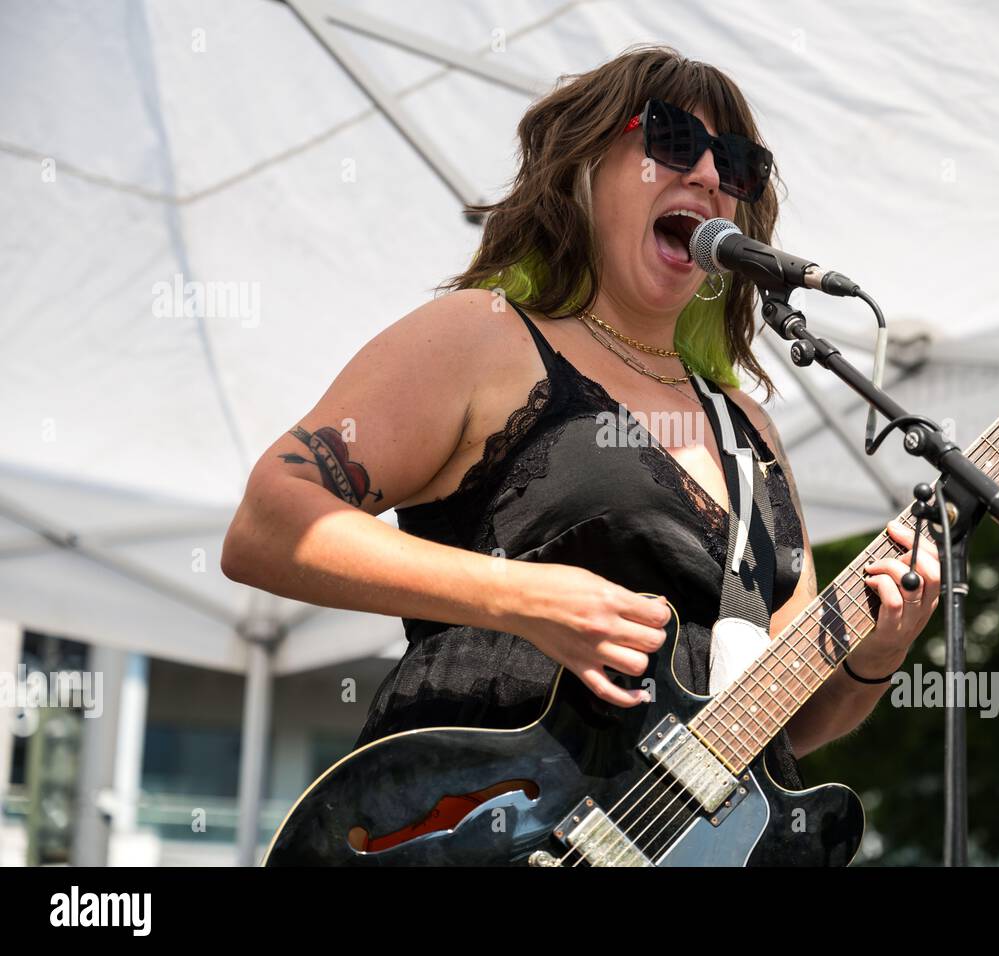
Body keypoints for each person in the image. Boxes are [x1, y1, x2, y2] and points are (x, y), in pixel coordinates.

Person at [221, 44, 941, 798]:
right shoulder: (485, 335)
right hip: (477, 820)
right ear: (586, 165)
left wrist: (876, 652)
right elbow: (267, 526)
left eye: (732, 165)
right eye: (670, 142)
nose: (704, 175)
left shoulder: (749, 429)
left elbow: (783, 729)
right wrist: (522, 597)